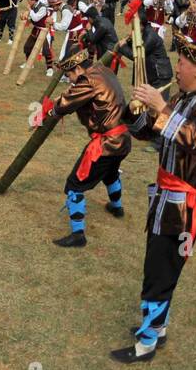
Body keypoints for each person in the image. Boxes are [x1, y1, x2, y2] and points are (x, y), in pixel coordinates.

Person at [114, 39, 196, 363]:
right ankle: (157, 328)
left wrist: (161, 107)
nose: (176, 68)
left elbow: (191, 138)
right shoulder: (182, 97)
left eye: (181, 63)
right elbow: (154, 133)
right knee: (159, 264)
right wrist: (137, 111)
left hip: (186, 209)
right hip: (165, 198)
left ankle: (146, 344)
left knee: (163, 270)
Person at [40, 46, 130, 248]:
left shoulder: (87, 80)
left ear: (78, 69)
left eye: (70, 74)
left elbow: (66, 103)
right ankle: (116, 207)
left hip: (107, 143)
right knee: (110, 173)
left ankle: (78, 234)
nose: (70, 79)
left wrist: (49, 111)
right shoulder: (102, 70)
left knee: (74, 185)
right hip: (123, 139)